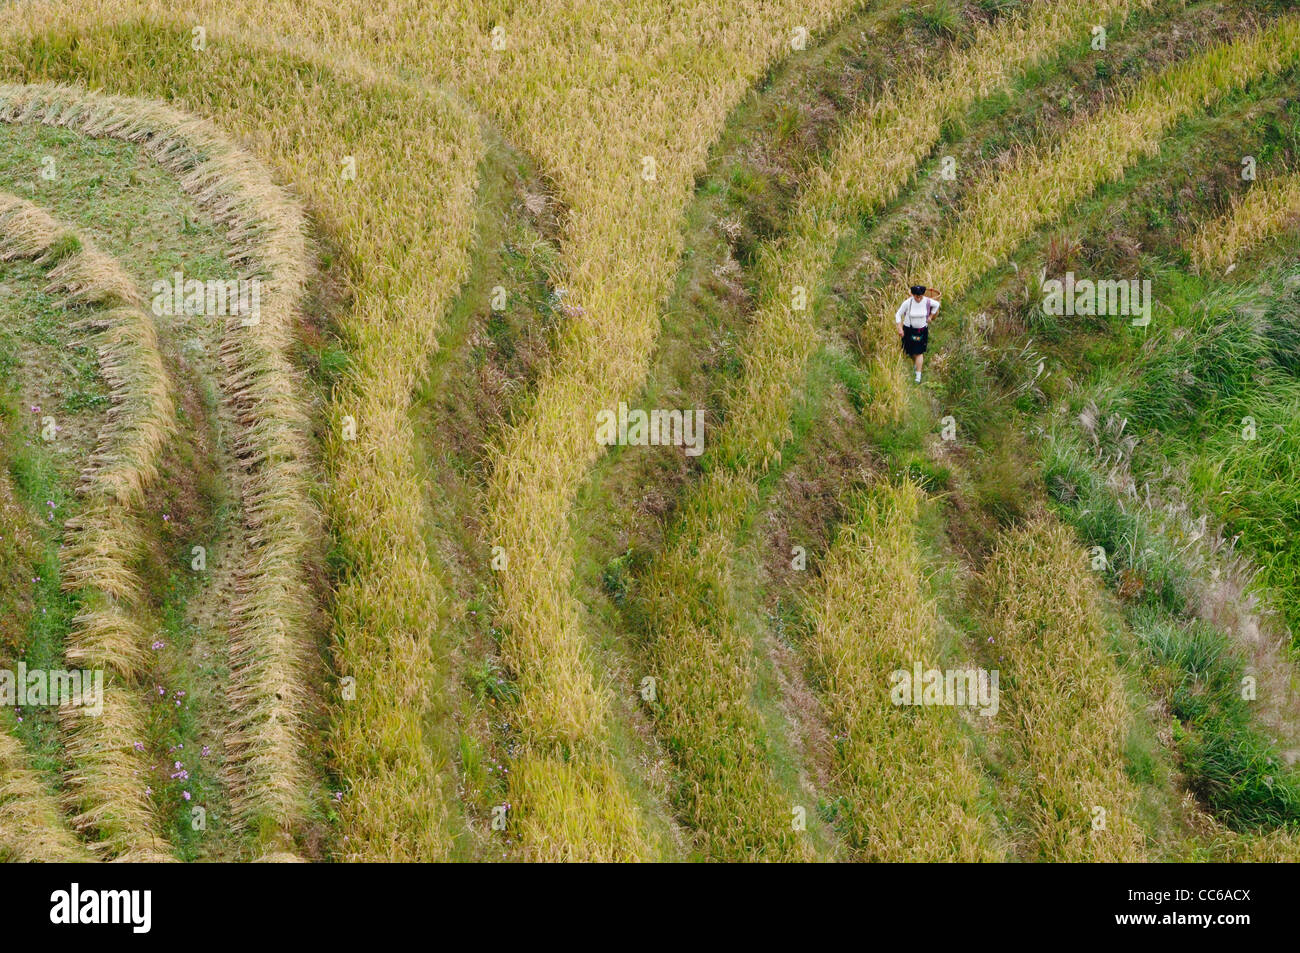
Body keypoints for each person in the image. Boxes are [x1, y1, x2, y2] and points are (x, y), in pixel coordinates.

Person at [895, 284, 940, 383]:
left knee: (919, 352)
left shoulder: (927, 301)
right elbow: (898, 314)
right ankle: (915, 363)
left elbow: (937, 305)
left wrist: (931, 316)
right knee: (909, 350)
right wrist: (899, 328)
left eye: (920, 296)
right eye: (916, 296)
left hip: (921, 330)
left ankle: (918, 376)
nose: (918, 299)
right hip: (908, 330)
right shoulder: (907, 303)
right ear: (912, 294)